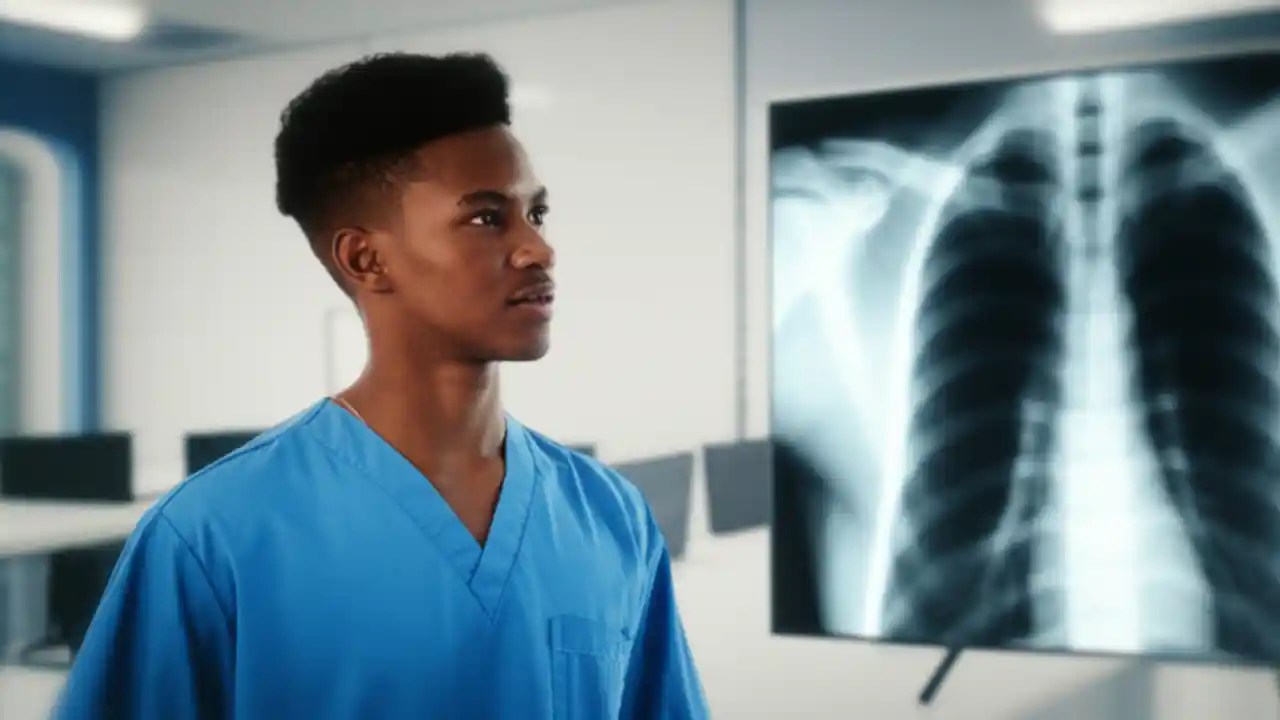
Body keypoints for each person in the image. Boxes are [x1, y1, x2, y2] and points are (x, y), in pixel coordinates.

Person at [56, 52, 708, 719]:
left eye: (535, 214)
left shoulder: (609, 517)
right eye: (487, 218)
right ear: (366, 258)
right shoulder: (212, 536)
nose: (538, 249)